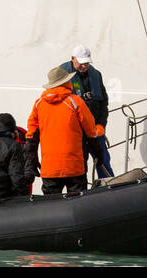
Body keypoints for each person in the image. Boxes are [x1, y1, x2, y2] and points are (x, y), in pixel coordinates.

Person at [27, 65, 101, 195]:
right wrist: (99, 154)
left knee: (51, 206)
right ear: (66, 82)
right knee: (78, 205)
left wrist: (31, 161)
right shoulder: (75, 102)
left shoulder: (39, 104)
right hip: (74, 166)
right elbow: (91, 131)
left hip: (49, 169)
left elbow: (31, 137)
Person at [61, 45, 112, 179]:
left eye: (87, 63)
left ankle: (108, 187)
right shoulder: (61, 75)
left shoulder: (96, 74)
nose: (85, 66)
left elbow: (103, 104)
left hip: (94, 130)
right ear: (73, 59)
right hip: (75, 133)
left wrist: (101, 124)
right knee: (79, 165)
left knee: (103, 161)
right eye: (82, 63)